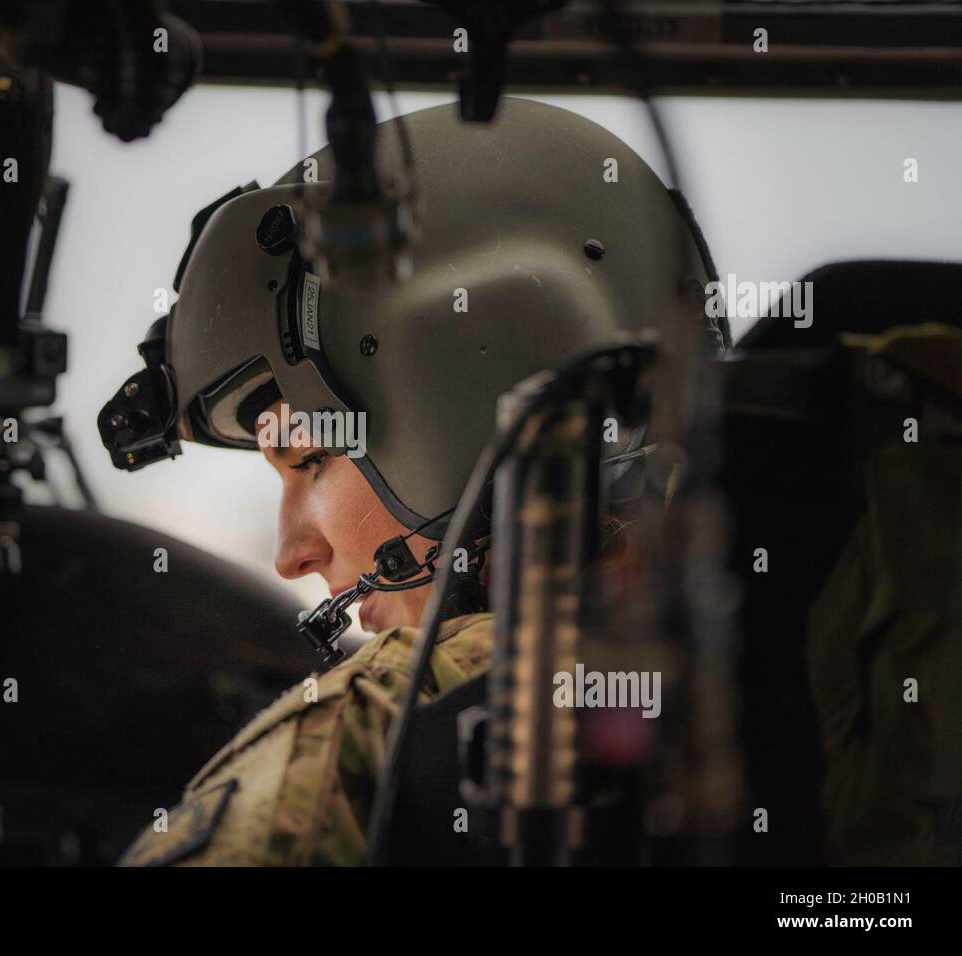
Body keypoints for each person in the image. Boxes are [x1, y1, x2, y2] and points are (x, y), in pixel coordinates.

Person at [107, 97, 727, 865]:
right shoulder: (792, 629)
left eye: (309, 460)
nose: (291, 555)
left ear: (452, 397)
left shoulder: (383, 714)